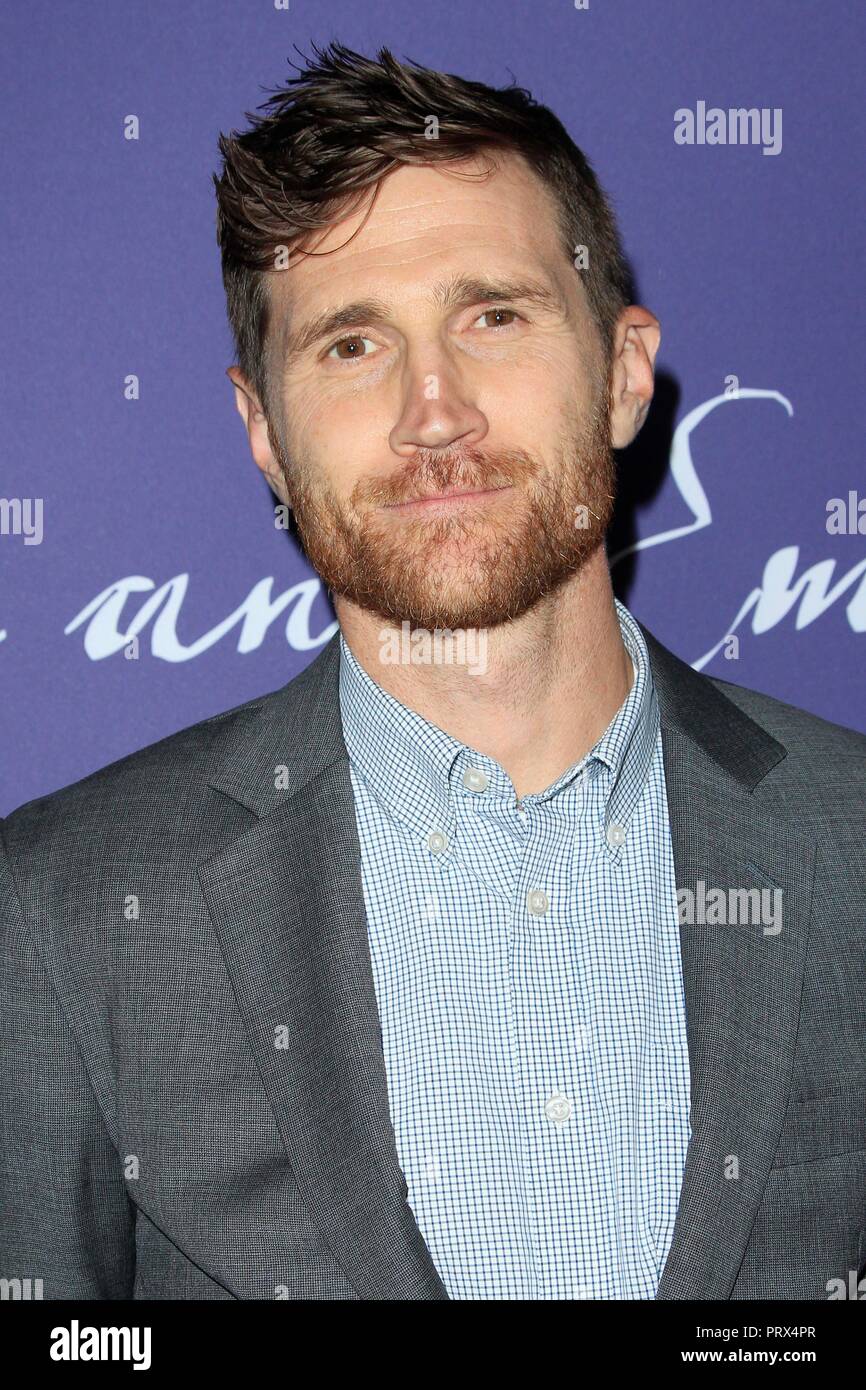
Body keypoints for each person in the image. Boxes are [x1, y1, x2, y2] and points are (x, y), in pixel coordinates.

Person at [2, 41, 864, 1302]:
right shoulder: (61, 911)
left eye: (492, 316)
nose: (434, 409)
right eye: (350, 346)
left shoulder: (847, 840)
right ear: (263, 434)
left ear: (624, 371)